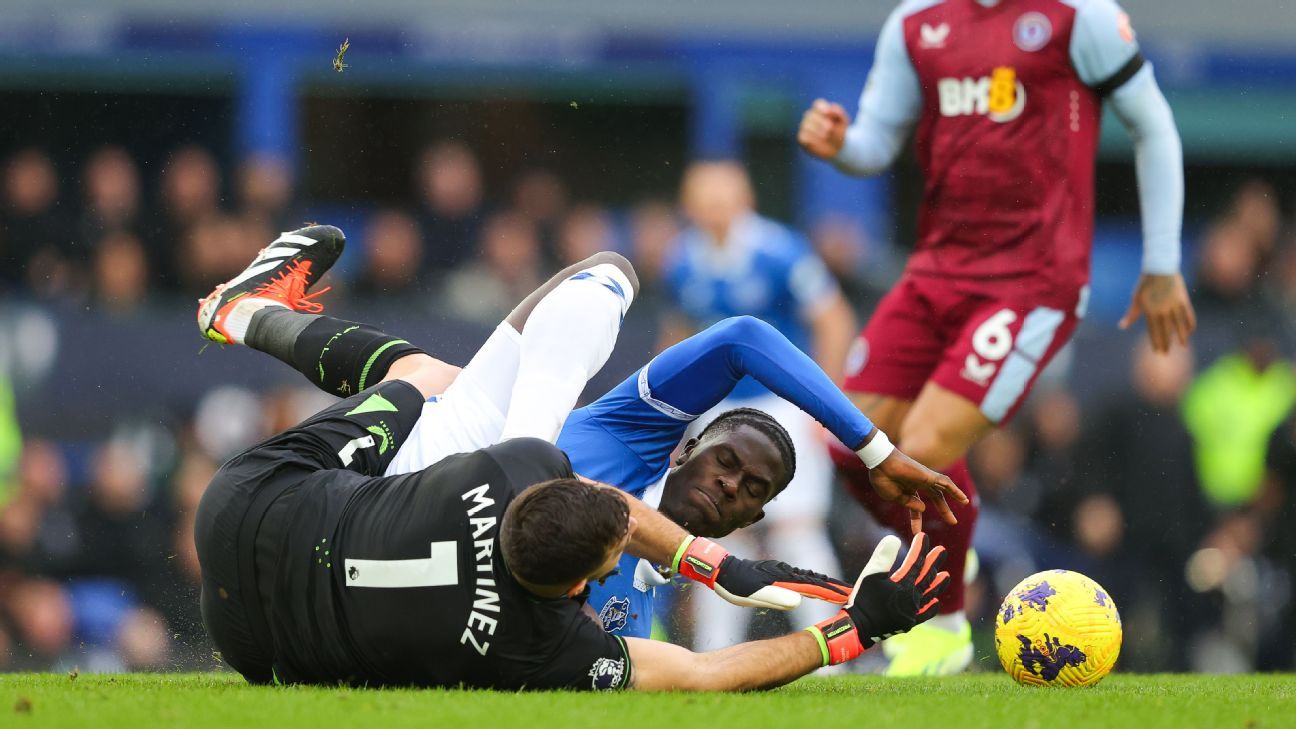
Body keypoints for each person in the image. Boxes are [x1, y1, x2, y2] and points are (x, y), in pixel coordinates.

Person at [194, 225, 951, 689]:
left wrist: (716, 567)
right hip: (283, 628)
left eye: (753, 490)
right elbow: (745, 339)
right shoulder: (629, 443)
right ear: (687, 441)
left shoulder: (625, 603)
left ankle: (246, 312)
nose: (731, 486)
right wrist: (871, 446)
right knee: (457, 373)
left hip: (362, 502)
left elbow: (691, 668)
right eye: (729, 461)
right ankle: (248, 312)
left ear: (759, 517)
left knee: (428, 382)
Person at [797, 0, 1196, 674]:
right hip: (934, 272)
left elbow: (1153, 126)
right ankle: (956, 544)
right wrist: (843, 146)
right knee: (848, 446)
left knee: (918, 451)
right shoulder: (916, 24)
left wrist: (1161, 262)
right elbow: (875, 142)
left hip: (1032, 281)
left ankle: (944, 619)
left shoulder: (1080, 18)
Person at [660, 159, 859, 650]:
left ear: (745, 199)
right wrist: (672, 420)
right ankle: (713, 655)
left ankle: (837, 645)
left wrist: (826, 407)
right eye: (704, 197)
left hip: (785, 404)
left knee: (796, 525)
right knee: (718, 532)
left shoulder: (781, 252)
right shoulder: (682, 259)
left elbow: (834, 319)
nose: (714, 207)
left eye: (723, 196)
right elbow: (678, 338)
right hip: (716, 412)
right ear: (689, 205)